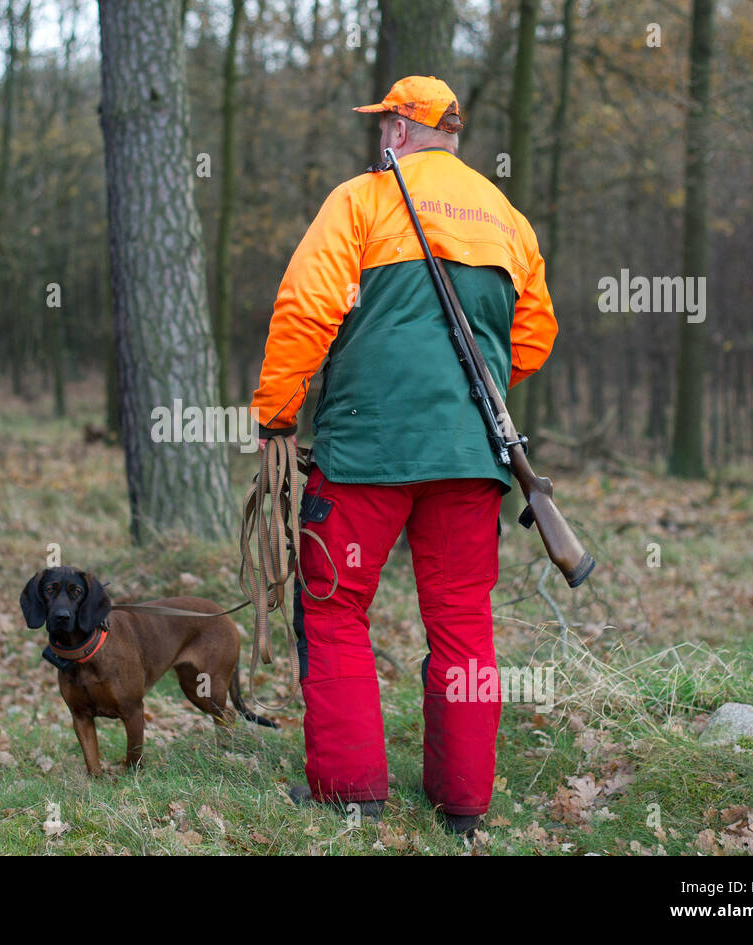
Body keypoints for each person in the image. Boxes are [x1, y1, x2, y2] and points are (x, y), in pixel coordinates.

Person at [249, 75, 557, 835]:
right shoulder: (507, 218)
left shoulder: (359, 200)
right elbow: (534, 336)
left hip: (364, 454)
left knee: (334, 608)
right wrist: (464, 397)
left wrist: (278, 415)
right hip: (470, 456)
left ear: (396, 131)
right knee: (461, 619)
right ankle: (462, 805)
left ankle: (351, 791)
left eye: (382, 124)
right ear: (451, 135)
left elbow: (305, 307)